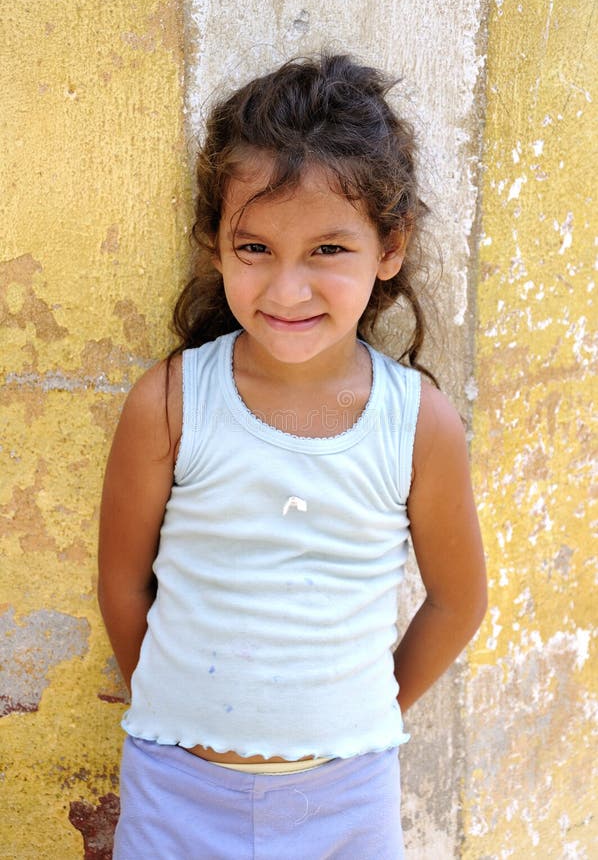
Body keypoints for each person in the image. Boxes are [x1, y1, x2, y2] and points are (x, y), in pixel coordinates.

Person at [98, 53, 487, 859]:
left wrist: (364, 711)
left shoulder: (417, 424)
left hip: (348, 800)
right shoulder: (171, 405)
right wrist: (181, 713)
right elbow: (122, 581)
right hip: (176, 794)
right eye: (255, 248)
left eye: (328, 250)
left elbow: (458, 602)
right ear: (215, 244)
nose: (286, 289)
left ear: (390, 248)